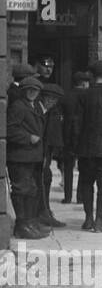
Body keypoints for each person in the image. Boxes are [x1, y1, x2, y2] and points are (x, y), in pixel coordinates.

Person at [69, 60, 102, 232]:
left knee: (86, 184)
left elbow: (76, 124)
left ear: (91, 76)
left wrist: (75, 146)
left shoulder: (83, 96)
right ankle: (99, 221)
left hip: (87, 148)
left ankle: (88, 218)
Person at [7, 76, 52, 240]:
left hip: (31, 156)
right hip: (19, 156)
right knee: (21, 190)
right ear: (24, 91)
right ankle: (22, 225)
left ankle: (30, 222)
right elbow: (10, 130)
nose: (32, 93)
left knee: (31, 190)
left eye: (36, 90)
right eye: (30, 90)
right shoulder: (18, 107)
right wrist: (28, 137)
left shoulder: (33, 106)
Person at [37, 82, 68, 230]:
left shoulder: (52, 112)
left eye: (55, 100)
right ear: (42, 97)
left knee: (46, 178)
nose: (52, 103)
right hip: (34, 154)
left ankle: (45, 212)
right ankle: (41, 214)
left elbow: (52, 136)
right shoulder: (37, 110)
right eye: (49, 99)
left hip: (44, 153)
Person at [59, 71, 91, 203]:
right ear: (84, 83)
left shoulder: (65, 96)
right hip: (84, 135)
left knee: (68, 168)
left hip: (67, 135)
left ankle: (67, 197)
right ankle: (80, 197)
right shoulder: (88, 97)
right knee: (83, 168)